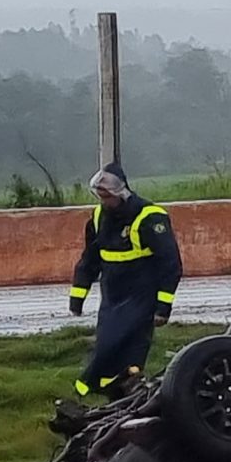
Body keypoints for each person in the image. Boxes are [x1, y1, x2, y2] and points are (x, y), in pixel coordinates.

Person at [67, 163, 181, 398]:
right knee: (107, 345)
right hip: (112, 294)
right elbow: (90, 259)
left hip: (141, 292)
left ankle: (91, 387)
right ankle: (114, 394)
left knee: (126, 346)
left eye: (107, 196)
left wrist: (163, 307)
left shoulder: (150, 217)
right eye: (100, 196)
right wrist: (77, 296)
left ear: (121, 193)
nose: (104, 201)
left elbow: (170, 263)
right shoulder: (99, 217)